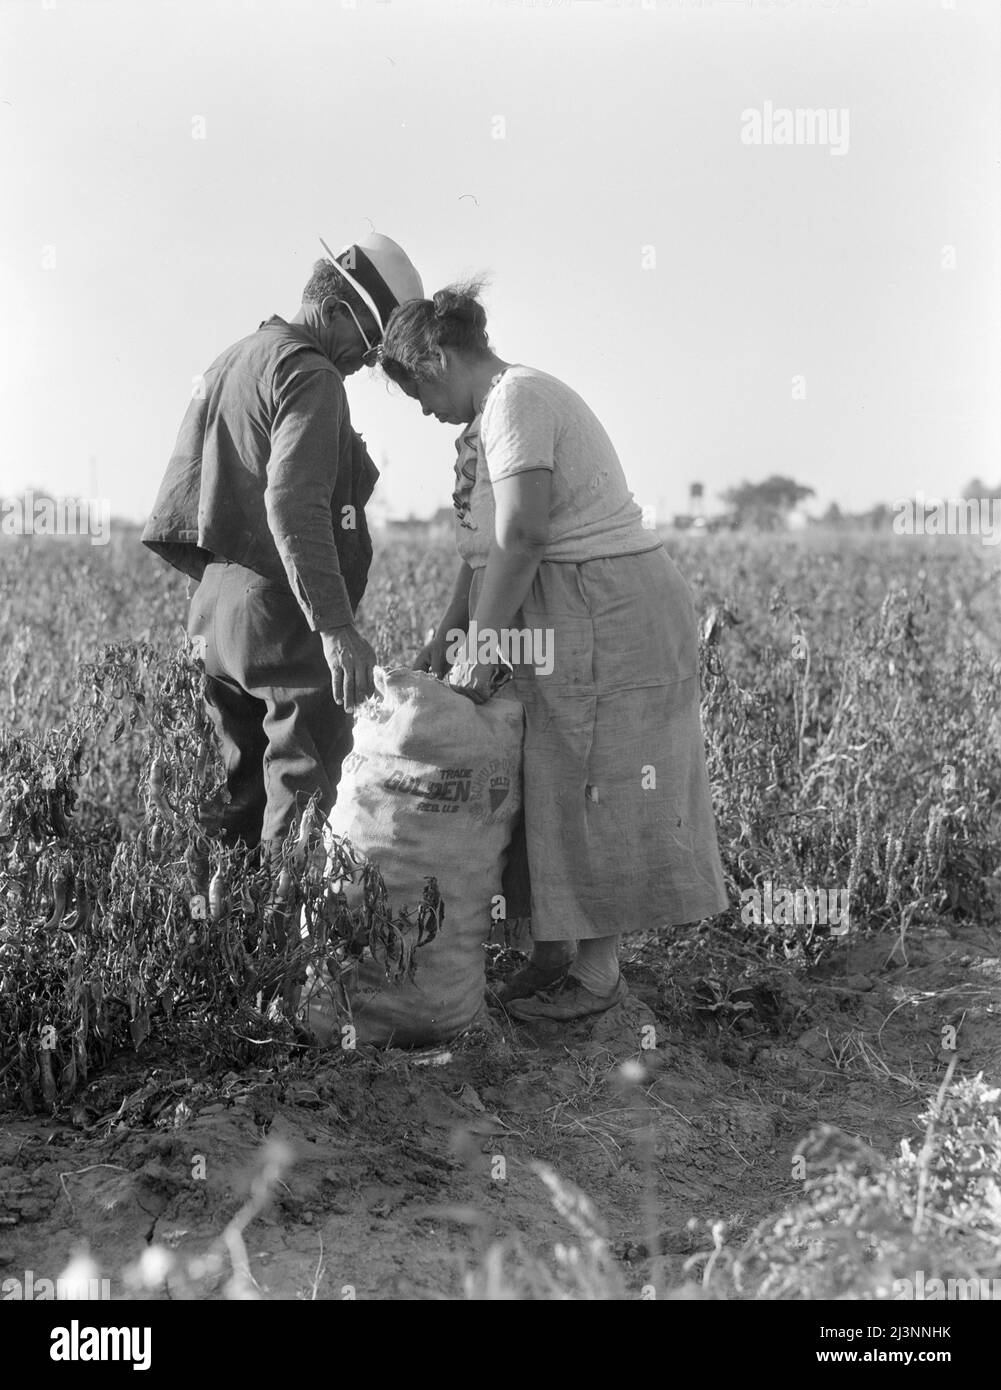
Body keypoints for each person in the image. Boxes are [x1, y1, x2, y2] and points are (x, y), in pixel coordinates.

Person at [377, 283, 729, 1021]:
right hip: (560, 608)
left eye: (416, 389)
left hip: (605, 606)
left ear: (438, 357)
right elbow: (479, 560)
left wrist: (482, 646)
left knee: (591, 778)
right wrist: (436, 653)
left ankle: (595, 978)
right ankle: (550, 952)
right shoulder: (484, 426)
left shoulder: (517, 401)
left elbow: (525, 538)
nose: (420, 408)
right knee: (544, 775)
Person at [142, 233, 423, 865]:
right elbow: (293, 504)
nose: (366, 361)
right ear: (339, 311)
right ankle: (289, 958)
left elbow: (193, 498)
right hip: (281, 616)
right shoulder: (313, 373)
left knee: (237, 792)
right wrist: (336, 627)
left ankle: (224, 948)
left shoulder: (236, 357)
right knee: (301, 788)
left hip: (215, 613)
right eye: (370, 343)